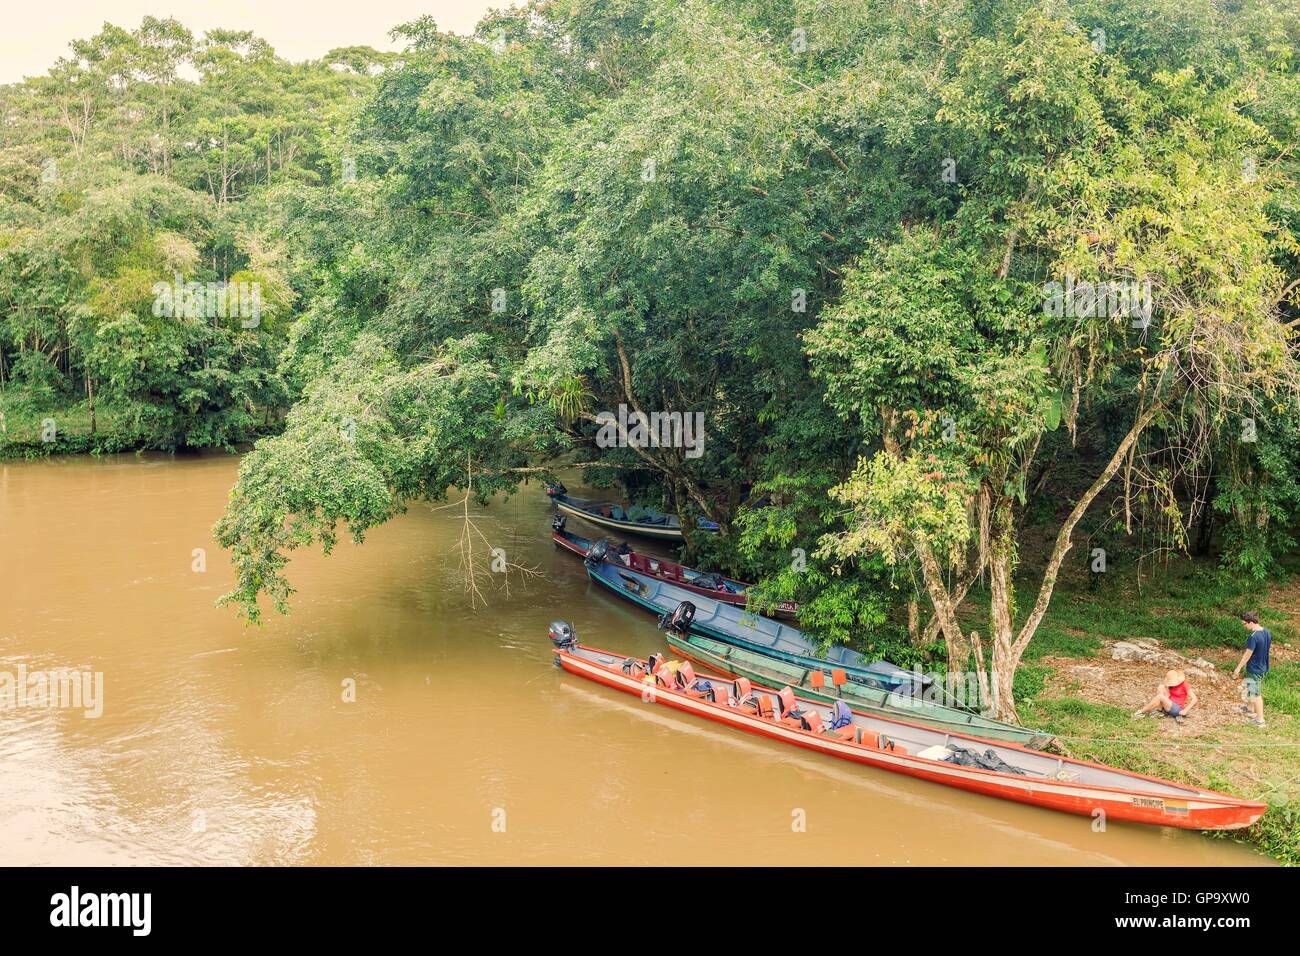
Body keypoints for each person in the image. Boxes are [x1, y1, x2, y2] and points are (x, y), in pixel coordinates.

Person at [1233, 611, 1271, 728]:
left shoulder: (1253, 637)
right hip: (1263, 667)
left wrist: (1238, 668)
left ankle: (1260, 720)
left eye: (1244, 624)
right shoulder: (1267, 632)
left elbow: (1247, 654)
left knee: (1256, 693)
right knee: (1251, 686)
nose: (1244, 626)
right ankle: (1250, 708)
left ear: (1250, 622)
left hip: (1255, 669)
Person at [1133, 669, 1197, 722]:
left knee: (1160, 697)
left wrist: (1185, 711)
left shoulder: (1185, 684)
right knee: (1161, 686)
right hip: (1169, 705)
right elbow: (1169, 695)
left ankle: (1141, 712)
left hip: (1177, 709)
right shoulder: (1172, 685)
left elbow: (1195, 699)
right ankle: (1160, 711)